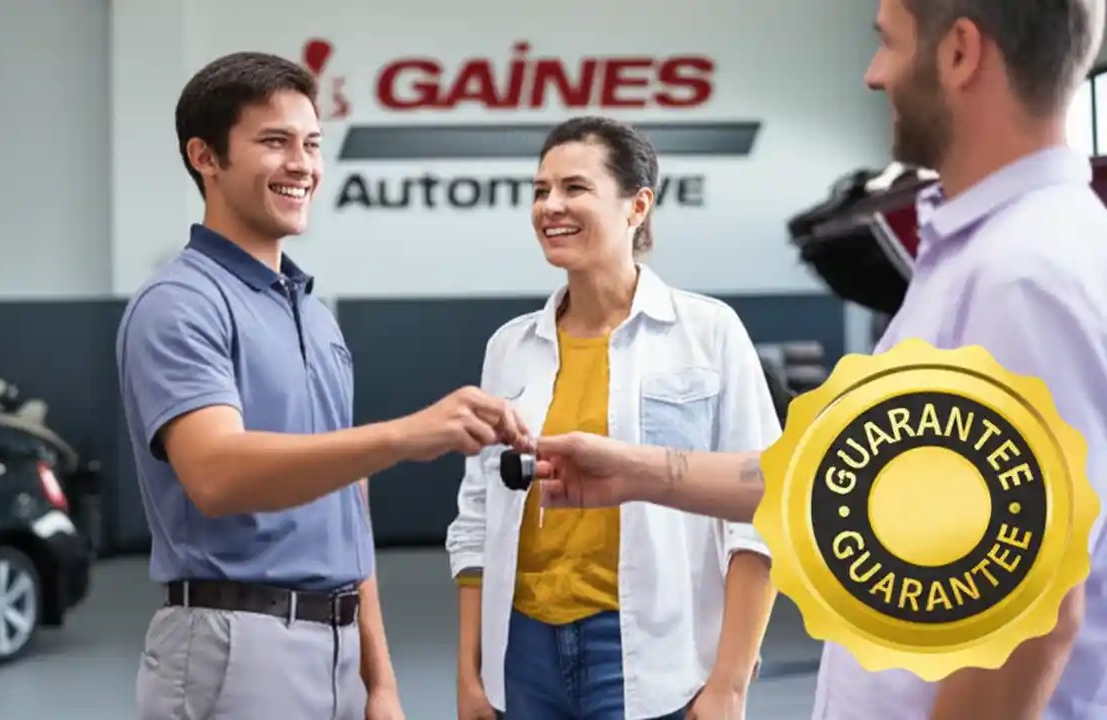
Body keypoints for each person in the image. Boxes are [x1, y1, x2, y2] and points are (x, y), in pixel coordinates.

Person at [533, 0, 1107, 718]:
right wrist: (643, 470)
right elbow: (861, 483)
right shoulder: (987, 257)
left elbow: (1037, 619)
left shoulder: (1021, 276)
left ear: (960, 53)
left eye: (888, 46)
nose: (874, 76)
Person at [116, 51, 529, 720]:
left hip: (336, 648)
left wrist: (381, 681)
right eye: (273, 141)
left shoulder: (312, 312)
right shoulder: (180, 303)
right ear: (206, 157)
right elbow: (217, 475)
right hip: (234, 644)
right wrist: (402, 436)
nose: (302, 164)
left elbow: (348, 503)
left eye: (311, 143)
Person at [445, 116, 780, 720]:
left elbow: (765, 515)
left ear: (637, 206)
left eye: (575, 188)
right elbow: (477, 518)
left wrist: (729, 683)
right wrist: (470, 673)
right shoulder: (509, 347)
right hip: (522, 651)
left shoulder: (708, 334)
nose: (551, 206)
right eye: (541, 190)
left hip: (652, 652)